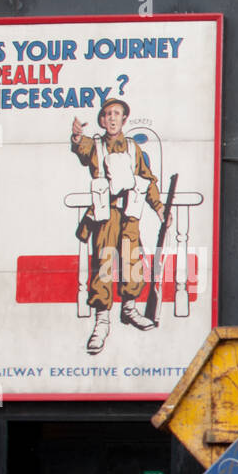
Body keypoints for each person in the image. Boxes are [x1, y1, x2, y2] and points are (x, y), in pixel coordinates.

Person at [70, 98, 170, 354]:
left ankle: (129, 309)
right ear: (102, 120)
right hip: (105, 215)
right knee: (103, 264)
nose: (112, 118)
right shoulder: (95, 146)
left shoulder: (134, 148)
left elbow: (147, 180)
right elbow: (82, 152)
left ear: (124, 119)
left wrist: (159, 208)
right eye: (108, 114)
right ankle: (101, 321)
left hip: (130, 213)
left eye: (117, 114)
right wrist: (77, 136)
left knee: (132, 262)